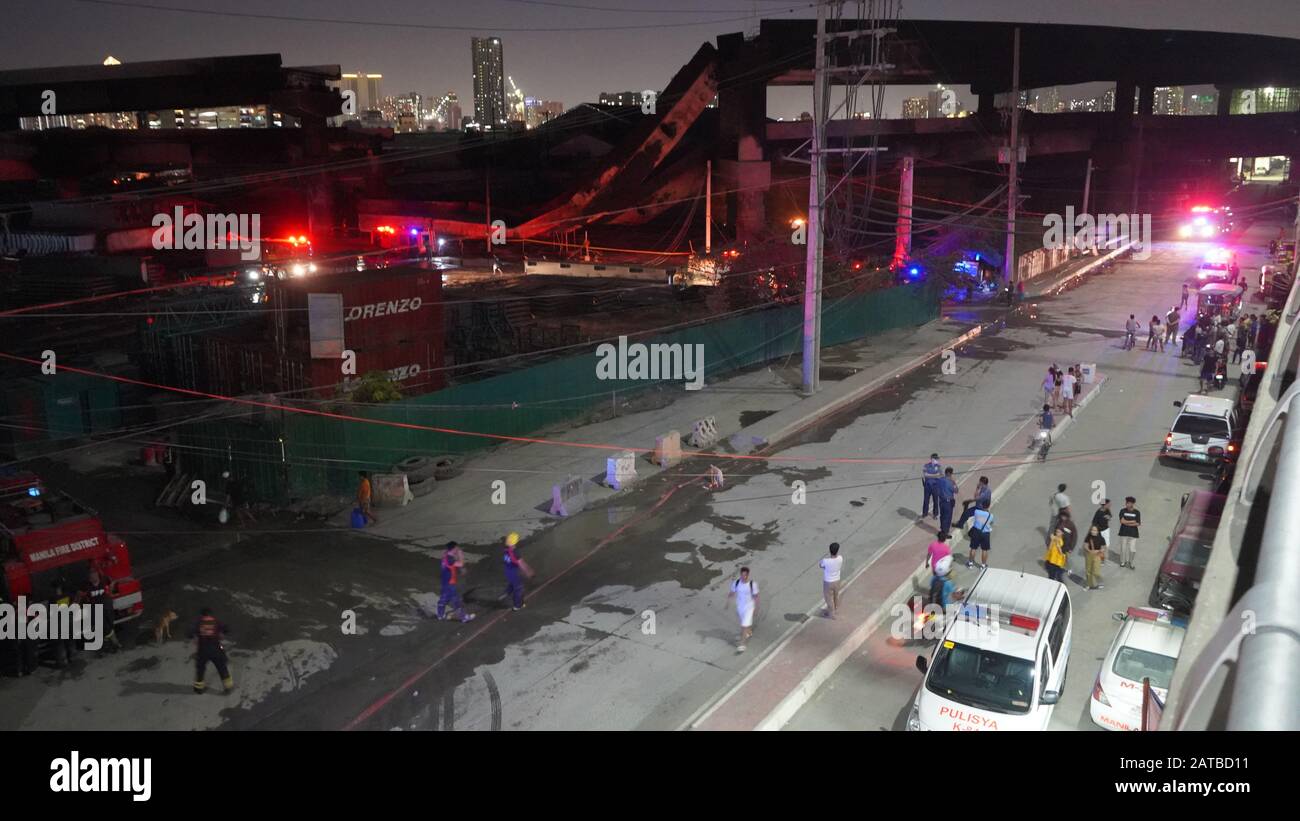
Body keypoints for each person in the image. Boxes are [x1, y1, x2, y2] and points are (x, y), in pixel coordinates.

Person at [78, 569, 121, 654]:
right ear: (89, 578)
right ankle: (114, 643)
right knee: (103, 628)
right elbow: (80, 596)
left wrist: (112, 591)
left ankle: (110, 645)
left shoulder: (104, 583)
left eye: (95, 575)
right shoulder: (87, 587)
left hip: (107, 610)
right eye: (92, 576)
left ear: (98, 576)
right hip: (96, 612)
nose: (94, 577)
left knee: (110, 627)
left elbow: (113, 585)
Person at [190, 608, 233, 694]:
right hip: (216, 648)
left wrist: (195, 636)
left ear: (202, 615)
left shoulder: (198, 622)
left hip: (203, 650)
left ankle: (199, 689)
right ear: (210, 614)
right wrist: (221, 633)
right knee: (222, 668)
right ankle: (228, 687)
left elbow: (189, 632)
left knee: (200, 669)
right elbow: (227, 628)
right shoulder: (216, 621)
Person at [436, 542, 476, 623]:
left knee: (443, 599)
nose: (458, 549)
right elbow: (461, 564)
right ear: (454, 548)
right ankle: (464, 617)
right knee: (456, 601)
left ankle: (440, 615)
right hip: (450, 583)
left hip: (445, 582)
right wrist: (460, 555)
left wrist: (456, 555)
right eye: (457, 548)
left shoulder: (445, 555)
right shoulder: (450, 559)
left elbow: (453, 563)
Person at [728, 567, 759, 652]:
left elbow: (756, 597)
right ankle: (749, 632)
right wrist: (728, 601)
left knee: (744, 626)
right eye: (742, 575)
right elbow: (732, 592)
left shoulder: (752, 584)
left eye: (745, 575)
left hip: (749, 607)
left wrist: (756, 607)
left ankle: (742, 644)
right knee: (744, 624)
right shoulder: (736, 583)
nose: (743, 576)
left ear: (748, 575)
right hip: (740, 607)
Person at [502, 532, 532, 611]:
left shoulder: (506, 550)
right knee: (519, 589)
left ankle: (507, 592)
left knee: (512, 583)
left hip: (507, 571)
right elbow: (521, 563)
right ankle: (517, 605)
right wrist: (528, 572)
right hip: (514, 572)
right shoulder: (515, 552)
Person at [965, 501, 994, 569]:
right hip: (986, 534)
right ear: (988, 506)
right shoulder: (991, 515)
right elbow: (991, 523)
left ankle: (970, 563)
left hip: (976, 532)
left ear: (982, 505)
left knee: (973, 548)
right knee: (984, 550)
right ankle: (983, 565)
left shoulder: (977, 512)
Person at [819, 543, 843, 619]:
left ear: (830, 551)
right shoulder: (840, 558)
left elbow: (820, 565)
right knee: (836, 595)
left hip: (828, 581)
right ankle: (835, 609)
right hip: (837, 580)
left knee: (828, 598)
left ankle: (831, 613)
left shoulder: (826, 561)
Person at [1117, 497, 1142, 569]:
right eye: (1126, 502)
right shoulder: (1122, 511)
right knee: (1123, 548)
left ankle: (1131, 562)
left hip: (1133, 534)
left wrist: (1126, 523)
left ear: (1132, 504)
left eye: (1128, 503)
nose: (1126, 504)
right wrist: (1132, 522)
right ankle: (1122, 561)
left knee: (1132, 549)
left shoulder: (1137, 512)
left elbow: (1138, 523)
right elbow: (1122, 521)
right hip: (1123, 533)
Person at [1083, 525, 1107, 590]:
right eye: (1092, 530)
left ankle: (1100, 582)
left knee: (1096, 572)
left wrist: (1098, 551)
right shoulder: (1088, 537)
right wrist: (1089, 550)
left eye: (1095, 530)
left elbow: (1103, 548)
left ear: (1098, 531)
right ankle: (1089, 584)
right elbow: (1085, 545)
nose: (1093, 531)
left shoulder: (1101, 539)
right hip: (1089, 555)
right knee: (1088, 571)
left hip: (1097, 555)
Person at [920, 454, 942, 521]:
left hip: (935, 486)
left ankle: (935, 514)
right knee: (926, 500)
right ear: (932, 459)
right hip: (927, 486)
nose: (937, 460)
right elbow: (925, 475)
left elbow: (939, 475)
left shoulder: (938, 466)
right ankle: (924, 513)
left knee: (936, 500)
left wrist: (930, 475)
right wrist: (934, 475)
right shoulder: (926, 465)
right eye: (935, 459)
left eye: (937, 459)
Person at [937, 467, 957, 536]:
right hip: (948, 502)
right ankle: (945, 533)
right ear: (949, 473)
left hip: (941, 501)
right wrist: (954, 483)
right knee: (947, 517)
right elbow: (956, 491)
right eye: (951, 473)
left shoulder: (940, 480)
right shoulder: (950, 482)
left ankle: (942, 529)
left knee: (942, 516)